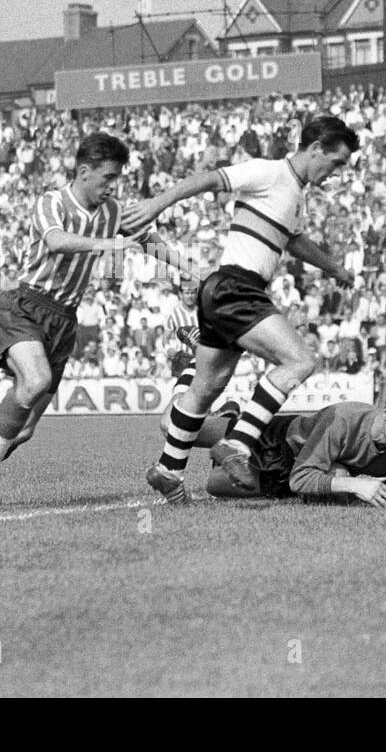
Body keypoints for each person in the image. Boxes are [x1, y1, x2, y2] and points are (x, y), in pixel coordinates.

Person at [0, 132, 195, 511]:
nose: (114, 186)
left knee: (25, 429)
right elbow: (57, 241)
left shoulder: (112, 212)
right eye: (108, 178)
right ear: (83, 172)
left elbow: (149, 241)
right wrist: (110, 245)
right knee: (36, 381)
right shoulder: (52, 202)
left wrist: (196, 270)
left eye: (117, 179)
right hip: (26, 305)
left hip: (64, 319)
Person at [123, 115, 359, 505]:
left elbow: (294, 241)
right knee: (299, 361)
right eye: (336, 162)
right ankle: (239, 443)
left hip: (224, 292)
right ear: (316, 149)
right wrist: (155, 204)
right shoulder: (269, 172)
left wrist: (333, 267)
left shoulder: (296, 194)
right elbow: (210, 179)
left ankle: (168, 468)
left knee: (206, 388)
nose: (335, 173)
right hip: (237, 287)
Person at [183, 379, 386, 504]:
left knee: (213, 485)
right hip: (278, 444)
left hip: (292, 478)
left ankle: (229, 418)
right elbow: (300, 477)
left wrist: (348, 486)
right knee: (181, 428)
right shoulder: (344, 419)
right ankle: (190, 369)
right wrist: (352, 483)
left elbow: (370, 500)